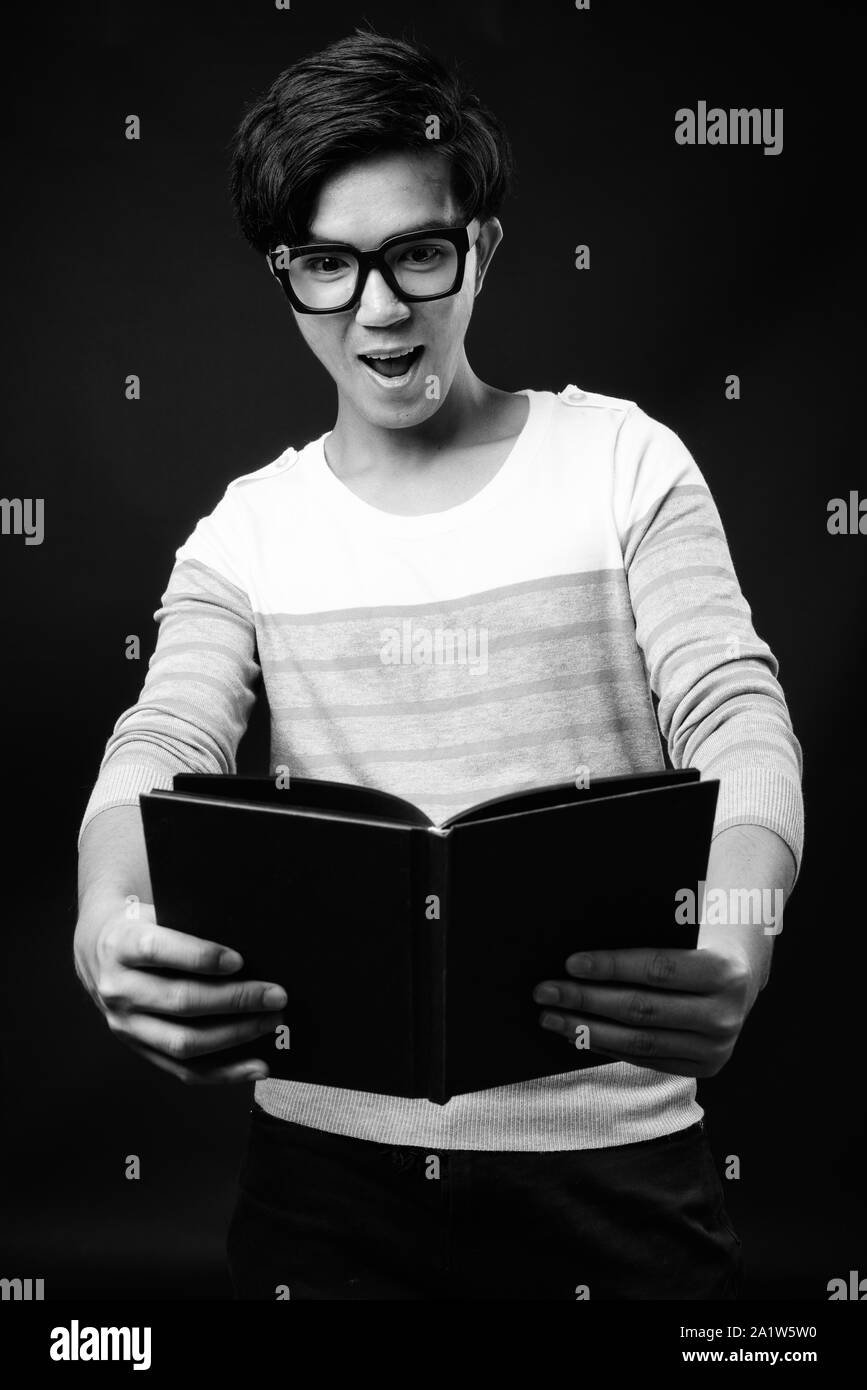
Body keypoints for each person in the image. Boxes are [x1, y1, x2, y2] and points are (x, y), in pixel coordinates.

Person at [75, 29, 803, 1300]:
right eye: (327, 265)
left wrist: (741, 928)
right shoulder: (245, 531)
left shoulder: (628, 462)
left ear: (484, 246)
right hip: (323, 1185)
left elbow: (736, 710)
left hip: (620, 1172)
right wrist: (104, 923)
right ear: (283, 275)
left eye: (418, 251)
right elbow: (163, 739)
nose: (380, 308)